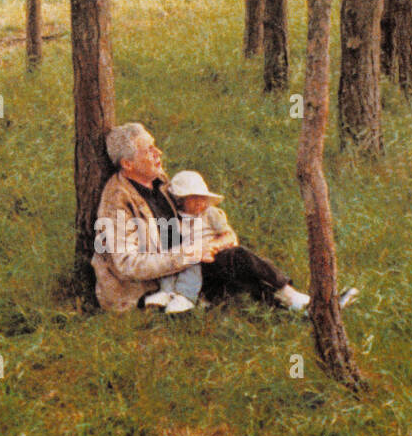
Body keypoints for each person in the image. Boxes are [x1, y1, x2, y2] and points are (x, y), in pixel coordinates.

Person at [92, 123, 357, 314]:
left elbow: (198, 211)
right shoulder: (117, 201)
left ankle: (304, 305)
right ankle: (306, 306)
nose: (158, 153)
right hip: (149, 288)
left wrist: (222, 236)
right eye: (149, 150)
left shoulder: (160, 183)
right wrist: (191, 253)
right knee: (237, 264)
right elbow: (127, 264)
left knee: (236, 261)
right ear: (127, 164)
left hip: (184, 267)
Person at [145, 170, 237, 314]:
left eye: (202, 198)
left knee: (192, 261)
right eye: (193, 198)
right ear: (180, 200)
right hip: (185, 250)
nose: (200, 203)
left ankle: (185, 295)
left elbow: (229, 236)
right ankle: (167, 292)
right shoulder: (176, 217)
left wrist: (214, 245)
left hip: (205, 253)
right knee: (172, 257)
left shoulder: (211, 214)